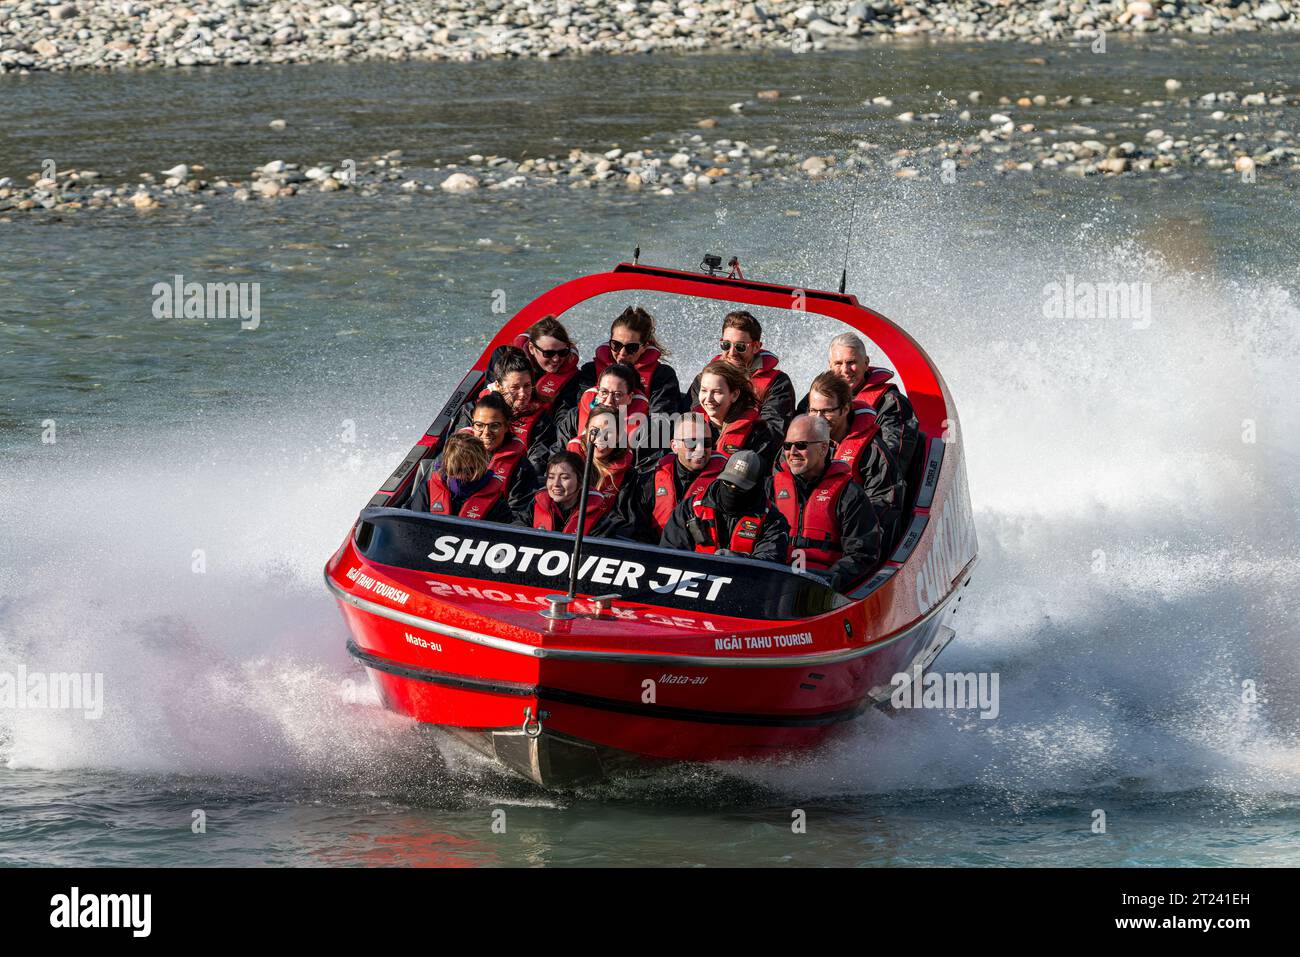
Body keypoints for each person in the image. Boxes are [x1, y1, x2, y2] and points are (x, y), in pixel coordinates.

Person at [767, 415, 882, 591]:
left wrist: (826, 583)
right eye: (787, 446)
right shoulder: (770, 488)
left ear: (823, 448)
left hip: (823, 591)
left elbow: (862, 553)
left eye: (801, 445)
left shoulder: (849, 495)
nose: (793, 452)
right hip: (772, 582)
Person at [804, 371, 905, 548]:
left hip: (850, 545)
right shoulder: (794, 445)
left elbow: (885, 500)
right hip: (799, 542)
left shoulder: (872, 449)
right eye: (813, 411)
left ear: (845, 409)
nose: (818, 419)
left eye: (827, 411)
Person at [798, 332, 921, 477]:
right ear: (830, 366)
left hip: (868, 482)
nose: (845, 370)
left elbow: (894, 457)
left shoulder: (891, 403)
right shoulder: (814, 399)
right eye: (838, 363)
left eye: (851, 362)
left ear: (866, 363)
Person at [659, 450, 789, 562]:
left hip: (742, 585)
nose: (732, 489)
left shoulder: (772, 521)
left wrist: (738, 560)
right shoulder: (690, 508)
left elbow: (771, 560)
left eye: (740, 487)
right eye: (728, 482)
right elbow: (669, 553)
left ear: (756, 487)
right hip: (691, 582)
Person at [619, 412, 727, 544]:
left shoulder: (724, 483)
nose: (700, 449)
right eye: (691, 442)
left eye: (706, 442)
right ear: (674, 446)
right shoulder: (648, 482)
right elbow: (634, 530)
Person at [683, 310, 795, 435]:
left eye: (740, 347)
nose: (732, 353)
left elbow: (774, 432)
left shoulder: (778, 383)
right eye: (726, 345)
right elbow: (687, 422)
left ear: (756, 347)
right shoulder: (702, 380)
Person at [458, 346, 555, 474]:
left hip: (514, 483)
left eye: (527, 386)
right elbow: (455, 452)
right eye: (515, 387)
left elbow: (537, 465)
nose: (522, 394)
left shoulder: (541, 421)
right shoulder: (471, 411)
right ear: (499, 386)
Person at [574, 306, 682, 419]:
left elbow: (662, 418)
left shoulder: (663, 376)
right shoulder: (590, 371)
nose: (622, 353)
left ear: (645, 346)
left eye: (631, 347)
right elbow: (579, 412)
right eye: (616, 345)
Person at [551, 363, 660, 471]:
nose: (609, 401)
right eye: (604, 392)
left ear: (630, 397)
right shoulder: (574, 417)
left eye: (617, 395)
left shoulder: (646, 429)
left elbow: (647, 472)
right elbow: (556, 457)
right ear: (597, 392)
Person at [461, 392, 539, 523]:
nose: (486, 433)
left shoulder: (522, 468)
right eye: (479, 425)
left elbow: (519, 517)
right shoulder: (453, 456)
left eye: (494, 426)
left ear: (507, 426)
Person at [490, 315, 583, 422]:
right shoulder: (502, 357)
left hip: (541, 429)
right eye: (548, 353)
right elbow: (486, 402)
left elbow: (563, 416)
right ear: (532, 348)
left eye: (562, 352)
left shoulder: (573, 377)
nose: (556, 359)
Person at [692, 359, 779, 473]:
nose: (708, 399)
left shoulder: (757, 433)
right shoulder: (691, 427)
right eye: (704, 391)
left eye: (717, 392)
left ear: (734, 395)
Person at [407, 432, 514, 523]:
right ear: (446, 467)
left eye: (470, 470)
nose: (463, 476)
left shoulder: (496, 501)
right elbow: (414, 526)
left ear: (482, 466)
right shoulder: (427, 490)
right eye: (456, 470)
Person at [521, 450, 625, 537]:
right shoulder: (534, 505)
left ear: (581, 482)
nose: (556, 484)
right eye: (551, 477)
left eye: (564, 478)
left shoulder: (599, 520)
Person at [567, 405, 637, 503]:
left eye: (609, 432)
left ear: (618, 437)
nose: (601, 437)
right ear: (586, 431)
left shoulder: (628, 475)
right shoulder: (564, 464)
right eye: (595, 430)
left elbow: (624, 514)